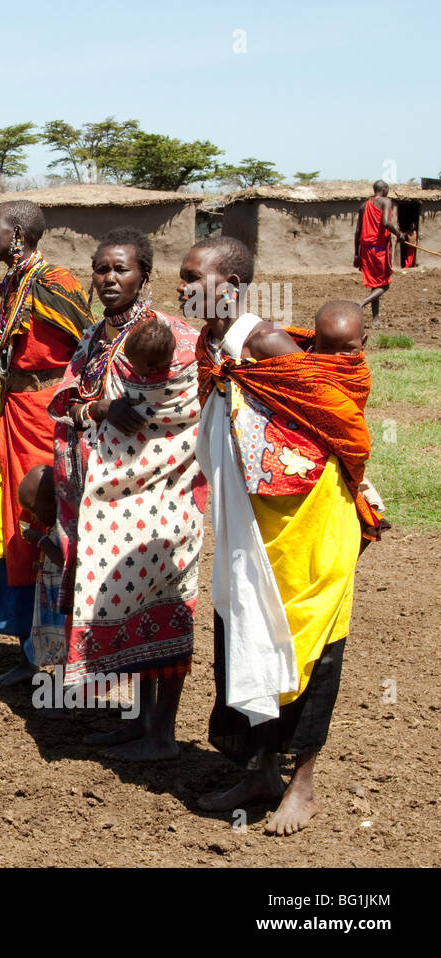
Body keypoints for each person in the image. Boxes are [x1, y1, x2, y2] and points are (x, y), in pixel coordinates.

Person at [190, 236, 382, 835]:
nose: (182, 288)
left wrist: (361, 483)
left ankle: (304, 784)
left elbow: (342, 419)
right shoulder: (212, 345)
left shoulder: (263, 343)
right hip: (251, 525)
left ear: (233, 287)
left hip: (305, 523)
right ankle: (259, 770)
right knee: (248, 633)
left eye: (194, 278)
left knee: (306, 644)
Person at [50, 227, 207, 761]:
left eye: (122, 269)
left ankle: (162, 734)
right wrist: (95, 411)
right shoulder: (94, 336)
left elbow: (185, 409)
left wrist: (112, 414)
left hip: (160, 494)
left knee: (162, 604)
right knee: (128, 604)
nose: (110, 278)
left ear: (144, 275)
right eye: (102, 269)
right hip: (102, 500)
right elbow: (68, 403)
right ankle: (137, 721)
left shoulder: (170, 336)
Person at [0, 200, 93, 684]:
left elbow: (88, 346)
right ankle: (28, 649)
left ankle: (53, 659)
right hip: (11, 412)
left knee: (42, 521)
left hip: (46, 416)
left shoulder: (56, 282)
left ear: (16, 233)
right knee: (8, 526)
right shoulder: (8, 283)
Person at [15, 465, 68, 673]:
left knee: (64, 651)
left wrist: (40, 541)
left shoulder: (65, 529)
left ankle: (61, 699)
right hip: (52, 607)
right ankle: (59, 696)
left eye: (34, 510)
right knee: (57, 652)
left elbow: (64, 560)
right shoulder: (55, 528)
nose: (33, 518)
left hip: (62, 609)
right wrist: (41, 566)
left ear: (53, 499)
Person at [354, 180, 403, 322]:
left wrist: (356, 254)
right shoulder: (386, 202)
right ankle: (362, 303)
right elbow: (386, 223)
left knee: (376, 285)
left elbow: (357, 231)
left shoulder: (364, 206)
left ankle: (375, 319)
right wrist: (399, 234)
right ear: (385, 189)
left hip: (365, 250)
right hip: (378, 250)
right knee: (385, 285)